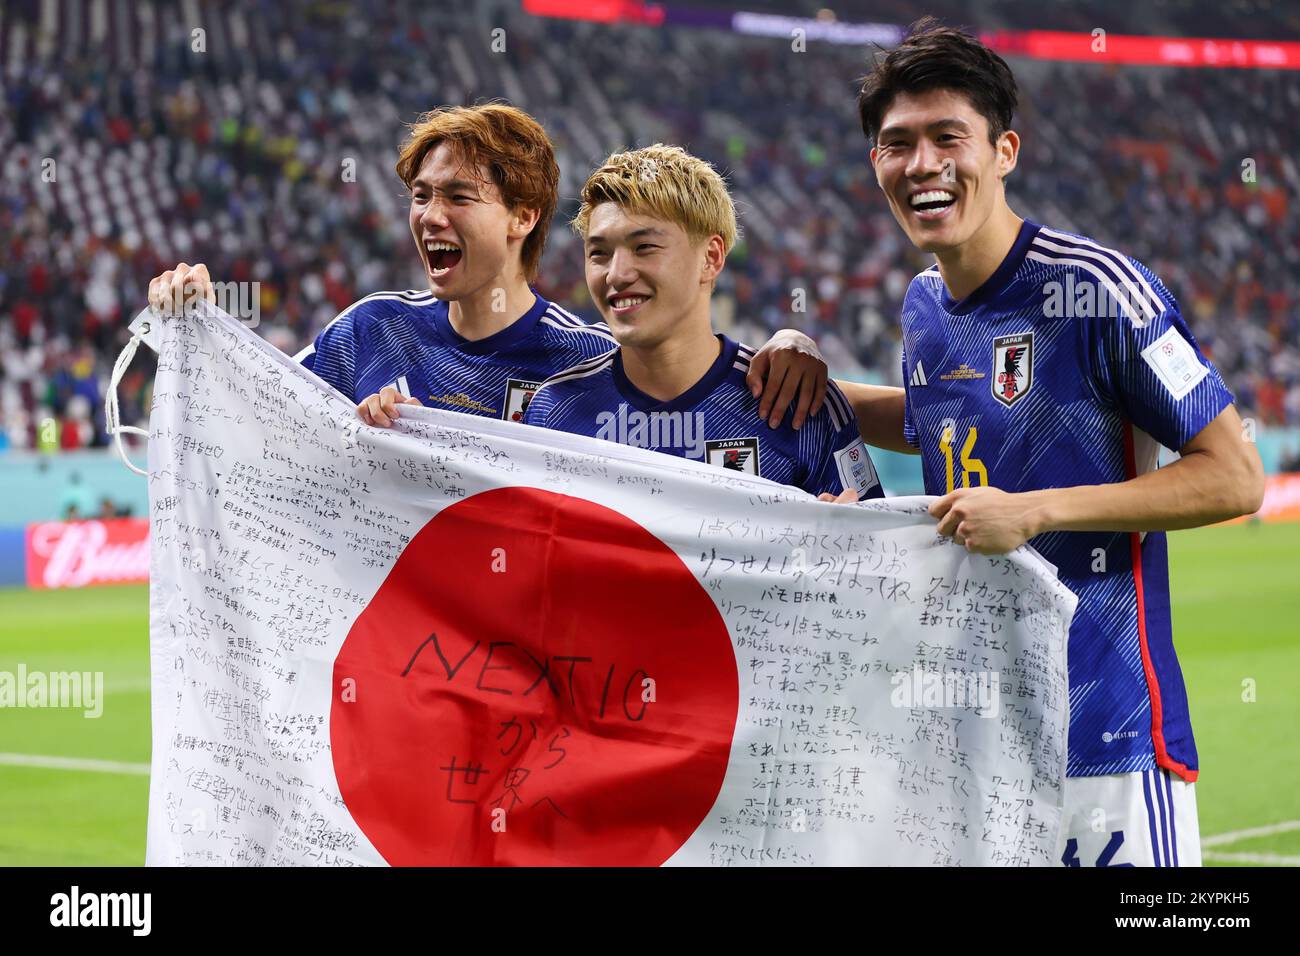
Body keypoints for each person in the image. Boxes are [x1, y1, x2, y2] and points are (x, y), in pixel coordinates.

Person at [837, 19, 1264, 866]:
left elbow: (1236, 477)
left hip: (1106, 738)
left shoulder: (1098, 290)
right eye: (896, 144)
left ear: (1004, 151)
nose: (921, 163)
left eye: (946, 137)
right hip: (971, 737)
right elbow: (939, 419)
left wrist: (1035, 513)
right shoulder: (924, 305)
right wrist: (797, 381)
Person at [147, 105, 825, 428]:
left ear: (523, 215)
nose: (430, 215)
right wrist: (200, 327)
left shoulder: (586, 364)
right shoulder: (369, 334)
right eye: (420, 197)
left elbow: (696, 392)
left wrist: (793, 343)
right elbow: (243, 424)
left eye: (457, 196)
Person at [524, 144, 882, 500]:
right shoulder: (552, 411)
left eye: (644, 247)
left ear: (711, 258)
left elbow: (877, 550)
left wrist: (837, 539)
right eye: (598, 253)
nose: (616, 274)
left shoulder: (799, 407)